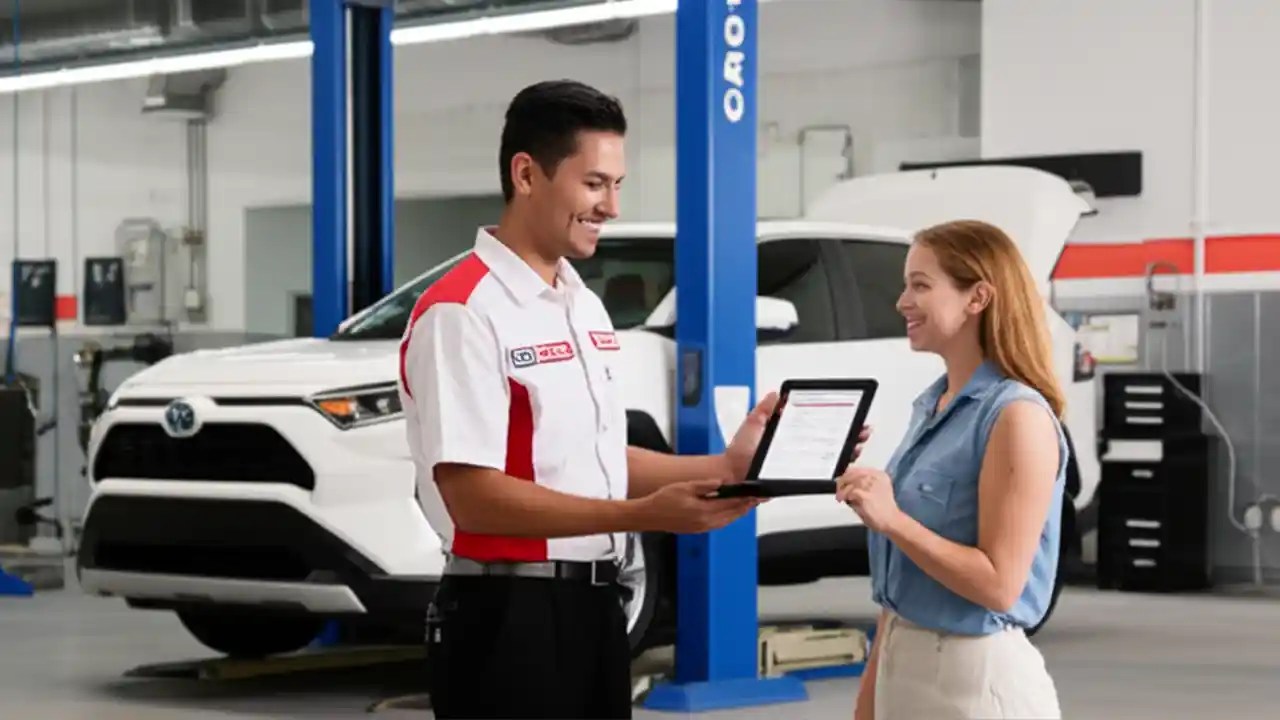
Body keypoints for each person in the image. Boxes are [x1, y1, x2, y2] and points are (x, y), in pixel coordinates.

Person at [397, 79, 783, 720]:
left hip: (596, 609)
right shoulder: (464, 311)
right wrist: (645, 515)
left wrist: (721, 470)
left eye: (618, 185)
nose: (612, 207)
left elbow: (594, 458)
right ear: (526, 173)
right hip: (506, 619)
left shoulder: (582, 303)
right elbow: (473, 496)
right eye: (594, 183)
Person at [836, 219, 1068, 720]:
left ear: (977, 298)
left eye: (920, 285)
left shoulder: (1016, 417)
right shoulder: (934, 407)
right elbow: (899, 592)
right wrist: (868, 701)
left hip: (977, 685)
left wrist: (892, 519)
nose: (902, 302)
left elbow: (1000, 585)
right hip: (904, 666)